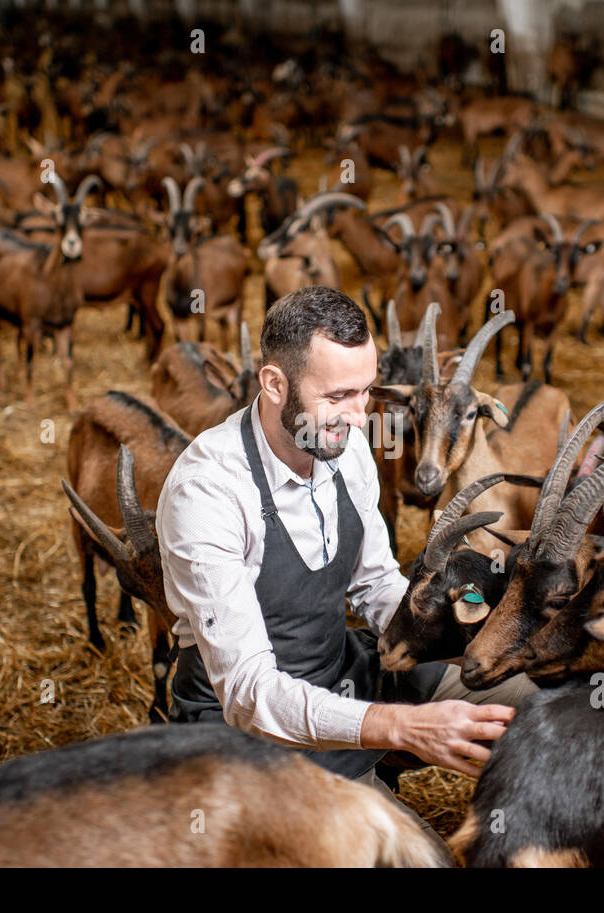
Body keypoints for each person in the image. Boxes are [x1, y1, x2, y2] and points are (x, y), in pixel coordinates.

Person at [156, 286, 537, 824]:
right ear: (274, 383)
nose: (360, 418)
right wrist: (403, 727)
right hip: (251, 739)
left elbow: (378, 584)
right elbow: (249, 694)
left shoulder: (344, 442)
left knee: (541, 692)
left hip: (347, 673)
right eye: (337, 396)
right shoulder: (209, 491)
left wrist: (476, 645)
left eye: (365, 392)